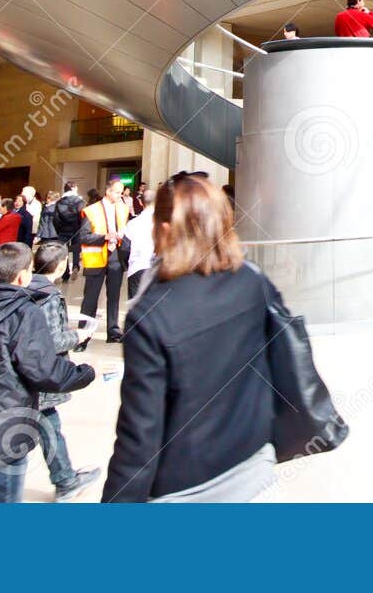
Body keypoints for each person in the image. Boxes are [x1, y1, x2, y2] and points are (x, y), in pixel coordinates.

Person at [104, 175, 293, 502]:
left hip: (188, 488)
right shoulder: (253, 281)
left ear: (165, 230)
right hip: (256, 465)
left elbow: (139, 437)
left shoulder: (150, 316)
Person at [0, 242, 96, 502]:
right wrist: (82, 373)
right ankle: (65, 480)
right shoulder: (23, 311)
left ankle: (65, 478)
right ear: (21, 276)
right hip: (3, 425)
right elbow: (41, 369)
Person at [28, 242, 103, 501]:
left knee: (44, 424)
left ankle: (65, 478)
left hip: (23, 370)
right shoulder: (48, 295)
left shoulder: (26, 287)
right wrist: (78, 336)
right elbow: (50, 340)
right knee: (48, 425)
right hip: (41, 372)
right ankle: (65, 481)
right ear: (61, 265)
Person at [78, 177, 130, 342]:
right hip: (96, 257)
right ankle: (84, 335)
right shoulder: (91, 210)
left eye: (121, 193)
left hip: (115, 256)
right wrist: (104, 237)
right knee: (90, 298)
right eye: (117, 192)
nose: (120, 195)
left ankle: (113, 331)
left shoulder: (123, 209)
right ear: (108, 191)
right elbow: (83, 236)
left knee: (114, 296)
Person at [123, 188, 157, 303]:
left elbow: (125, 248)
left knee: (135, 306)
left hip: (137, 267)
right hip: (157, 268)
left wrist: (126, 264)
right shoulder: (164, 223)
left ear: (140, 202)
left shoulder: (132, 223)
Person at [52, 181, 86, 281]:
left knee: (64, 250)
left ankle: (65, 273)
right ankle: (75, 266)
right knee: (76, 248)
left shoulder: (59, 202)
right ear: (73, 188)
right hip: (76, 228)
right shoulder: (80, 201)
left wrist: (58, 229)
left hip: (63, 228)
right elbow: (83, 216)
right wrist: (81, 227)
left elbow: (56, 219)